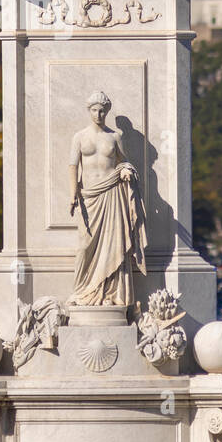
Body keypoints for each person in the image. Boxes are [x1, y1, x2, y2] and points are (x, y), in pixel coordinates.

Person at [68, 91, 147, 306]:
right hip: (89, 196)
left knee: (113, 243)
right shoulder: (80, 136)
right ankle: (81, 289)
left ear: (107, 111)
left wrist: (125, 171)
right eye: (94, 110)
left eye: (102, 110)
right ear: (89, 111)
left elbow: (123, 161)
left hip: (112, 193)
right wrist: (73, 191)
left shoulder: (115, 136)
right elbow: (73, 165)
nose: (98, 114)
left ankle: (111, 293)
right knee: (85, 246)